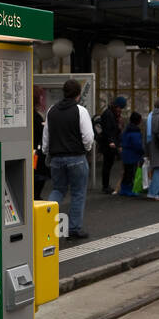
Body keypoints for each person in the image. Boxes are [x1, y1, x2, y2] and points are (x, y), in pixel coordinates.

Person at [43, 78, 94, 239]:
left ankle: (47, 224)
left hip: (56, 159)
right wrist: (86, 149)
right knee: (78, 193)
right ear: (78, 95)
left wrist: (46, 152)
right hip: (76, 157)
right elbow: (88, 137)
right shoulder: (80, 111)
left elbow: (47, 137)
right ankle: (73, 229)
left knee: (58, 190)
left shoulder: (51, 110)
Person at [95, 96, 126, 195]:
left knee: (108, 164)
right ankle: (105, 186)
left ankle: (106, 185)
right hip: (109, 144)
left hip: (109, 142)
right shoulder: (109, 115)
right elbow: (108, 130)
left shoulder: (110, 113)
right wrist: (111, 142)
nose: (120, 110)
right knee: (107, 164)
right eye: (120, 107)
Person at [118, 111, 144, 197]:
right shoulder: (135, 131)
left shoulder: (127, 129)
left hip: (125, 154)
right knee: (131, 172)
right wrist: (142, 152)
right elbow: (137, 145)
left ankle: (124, 188)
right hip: (132, 155)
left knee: (126, 172)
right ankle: (129, 189)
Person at [33, 108, 50, 199]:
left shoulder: (32, 115)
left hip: (34, 151)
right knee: (39, 176)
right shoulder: (36, 116)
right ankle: (36, 197)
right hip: (36, 152)